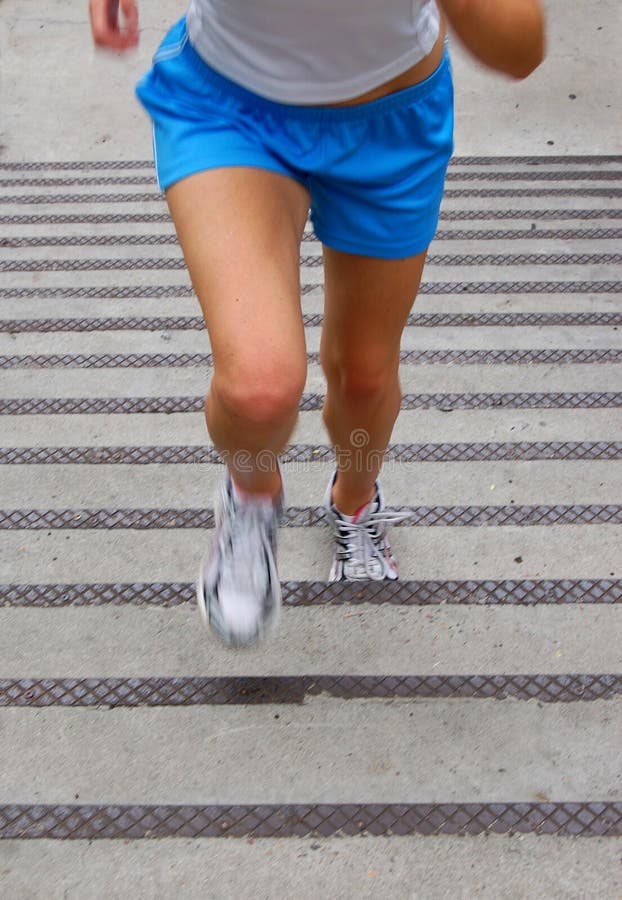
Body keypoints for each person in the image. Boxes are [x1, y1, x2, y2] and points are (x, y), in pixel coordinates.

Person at [89, 0, 545, 646]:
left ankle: (355, 500)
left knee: (363, 380)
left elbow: (520, 50)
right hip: (228, 106)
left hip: (392, 123)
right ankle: (250, 496)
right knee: (258, 389)